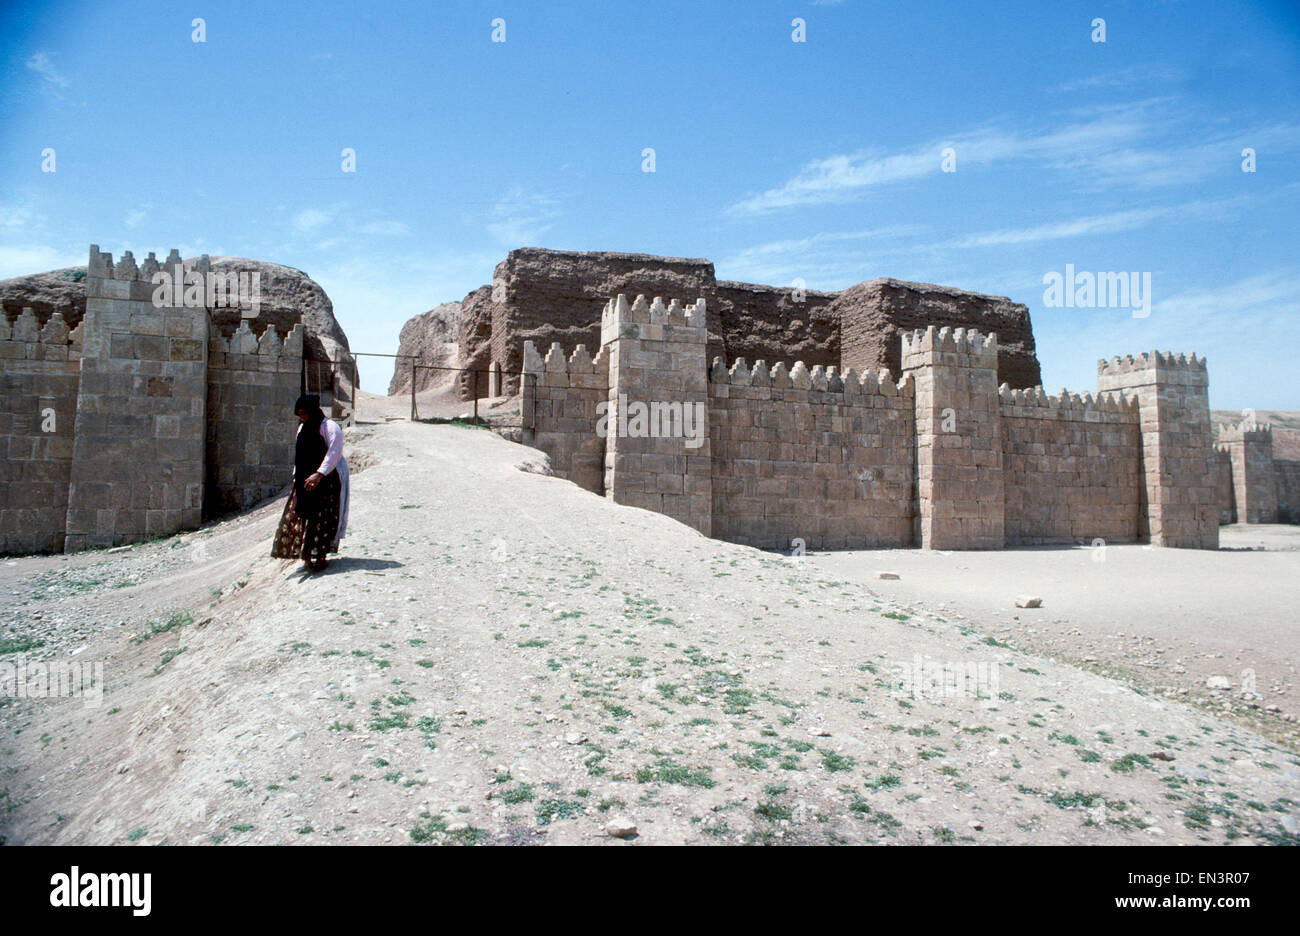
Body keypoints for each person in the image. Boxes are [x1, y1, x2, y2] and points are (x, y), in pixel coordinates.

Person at [271, 393, 349, 572]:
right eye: (299, 414)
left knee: (322, 519)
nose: (302, 417)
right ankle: (306, 557)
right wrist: (296, 477)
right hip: (305, 483)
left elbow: (334, 453)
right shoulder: (302, 429)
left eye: (304, 413)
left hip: (327, 481)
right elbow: (299, 456)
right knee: (304, 516)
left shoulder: (329, 427)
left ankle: (320, 556)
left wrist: (319, 474)